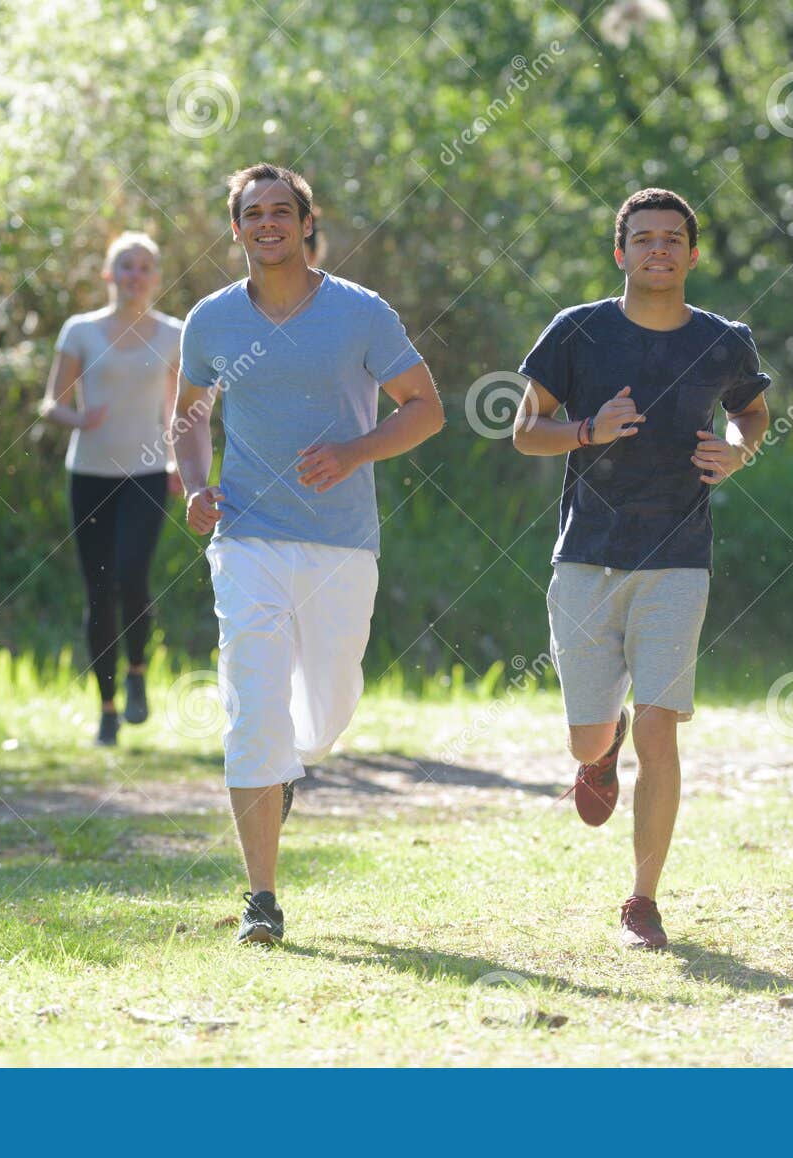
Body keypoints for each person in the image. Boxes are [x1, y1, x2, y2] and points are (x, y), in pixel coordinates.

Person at [172, 162, 444, 945]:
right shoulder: (211, 320)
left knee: (324, 712)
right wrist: (196, 484)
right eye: (252, 212)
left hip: (341, 542)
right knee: (252, 704)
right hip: (246, 534)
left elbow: (426, 409)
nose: (268, 223)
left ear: (304, 222)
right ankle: (263, 897)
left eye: (281, 211)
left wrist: (356, 452)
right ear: (236, 229)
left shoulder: (359, 313)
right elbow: (188, 416)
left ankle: (287, 767)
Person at [511, 188, 772, 950]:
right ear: (619, 251)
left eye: (673, 239)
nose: (659, 250)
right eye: (643, 238)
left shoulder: (724, 340)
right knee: (588, 739)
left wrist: (739, 448)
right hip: (586, 557)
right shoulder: (577, 332)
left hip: (679, 557)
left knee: (665, 730)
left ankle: (642, 902)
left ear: (693, 255)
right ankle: (601, 752)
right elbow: (527, 432)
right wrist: (589, 430)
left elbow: (750, 410)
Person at [40, 231, 183, 747]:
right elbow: (50, 402)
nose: (135, 276)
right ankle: (106, 709)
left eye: (144, 267)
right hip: (89, 475)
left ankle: (138, 671)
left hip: (147, 474)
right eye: (126, 266)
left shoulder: (174, 334)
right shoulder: (80, 331)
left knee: (131, 576)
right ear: (109, 275)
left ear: (156, 277)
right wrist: (77, 417)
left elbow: (183, 410)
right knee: (98, 591)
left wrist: (180, 463)